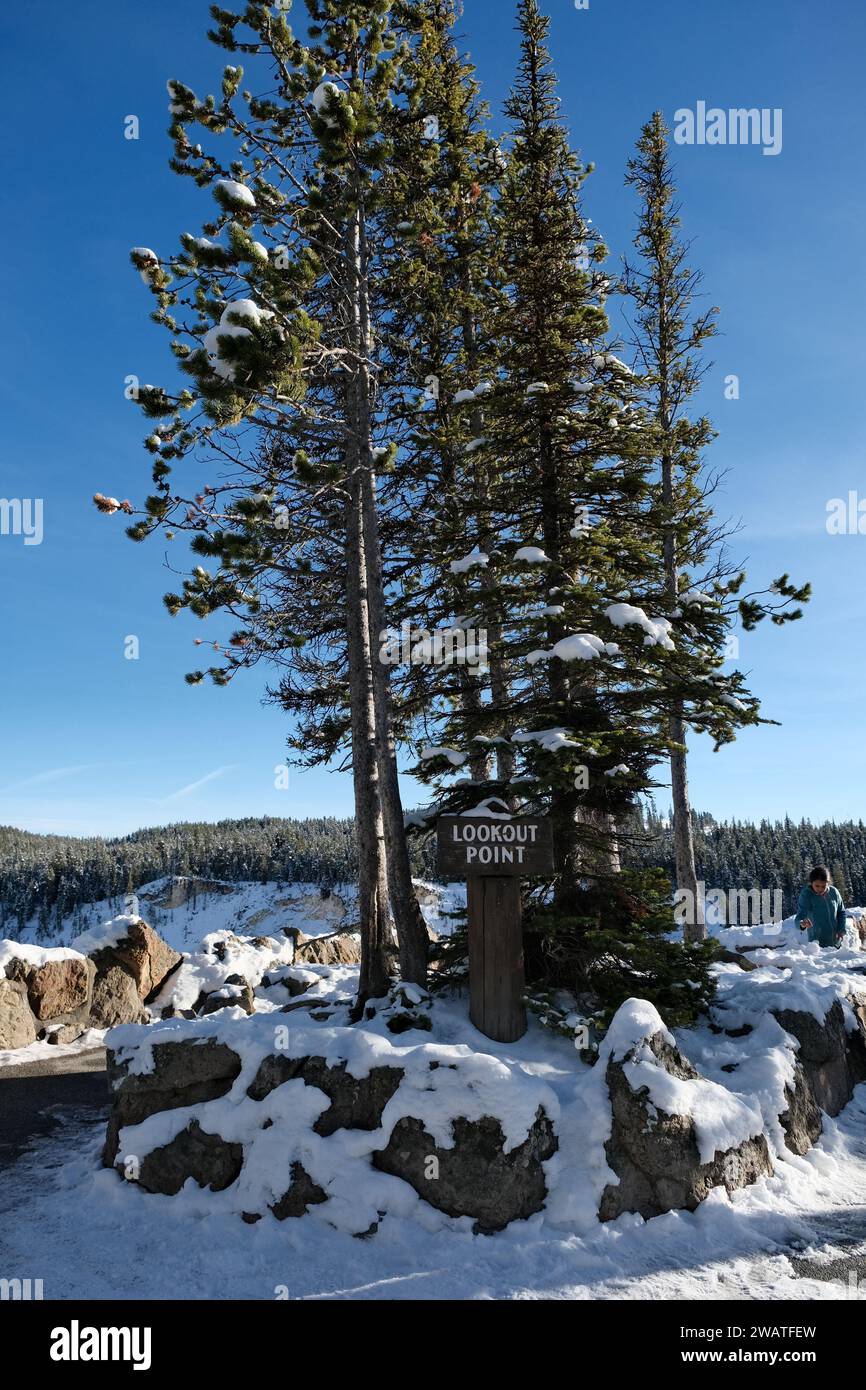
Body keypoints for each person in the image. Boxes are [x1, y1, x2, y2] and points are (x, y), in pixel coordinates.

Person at [795, 866, 847, 948]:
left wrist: (841, 929)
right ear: (811, 883)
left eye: (823, 886)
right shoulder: (806, 895)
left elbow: (841, 912)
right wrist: (802, 924)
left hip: (836, 942)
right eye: (817, 886)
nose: (820, 889)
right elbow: (800, 916)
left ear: (828, 883)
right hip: (817, 946)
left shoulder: (834, 892)